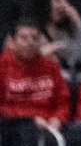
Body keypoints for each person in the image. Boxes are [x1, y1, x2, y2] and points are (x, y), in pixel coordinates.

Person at [0, 16, 76, 146]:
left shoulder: (51, 66)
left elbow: (63, 101)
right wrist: (30, 120)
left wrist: (57, 118)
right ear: (12, 42)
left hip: (50, 123)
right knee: (27, 131)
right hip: (15, 126)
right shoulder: (3, 66)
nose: (30, 42)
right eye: (24, 38)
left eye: (35, 38)